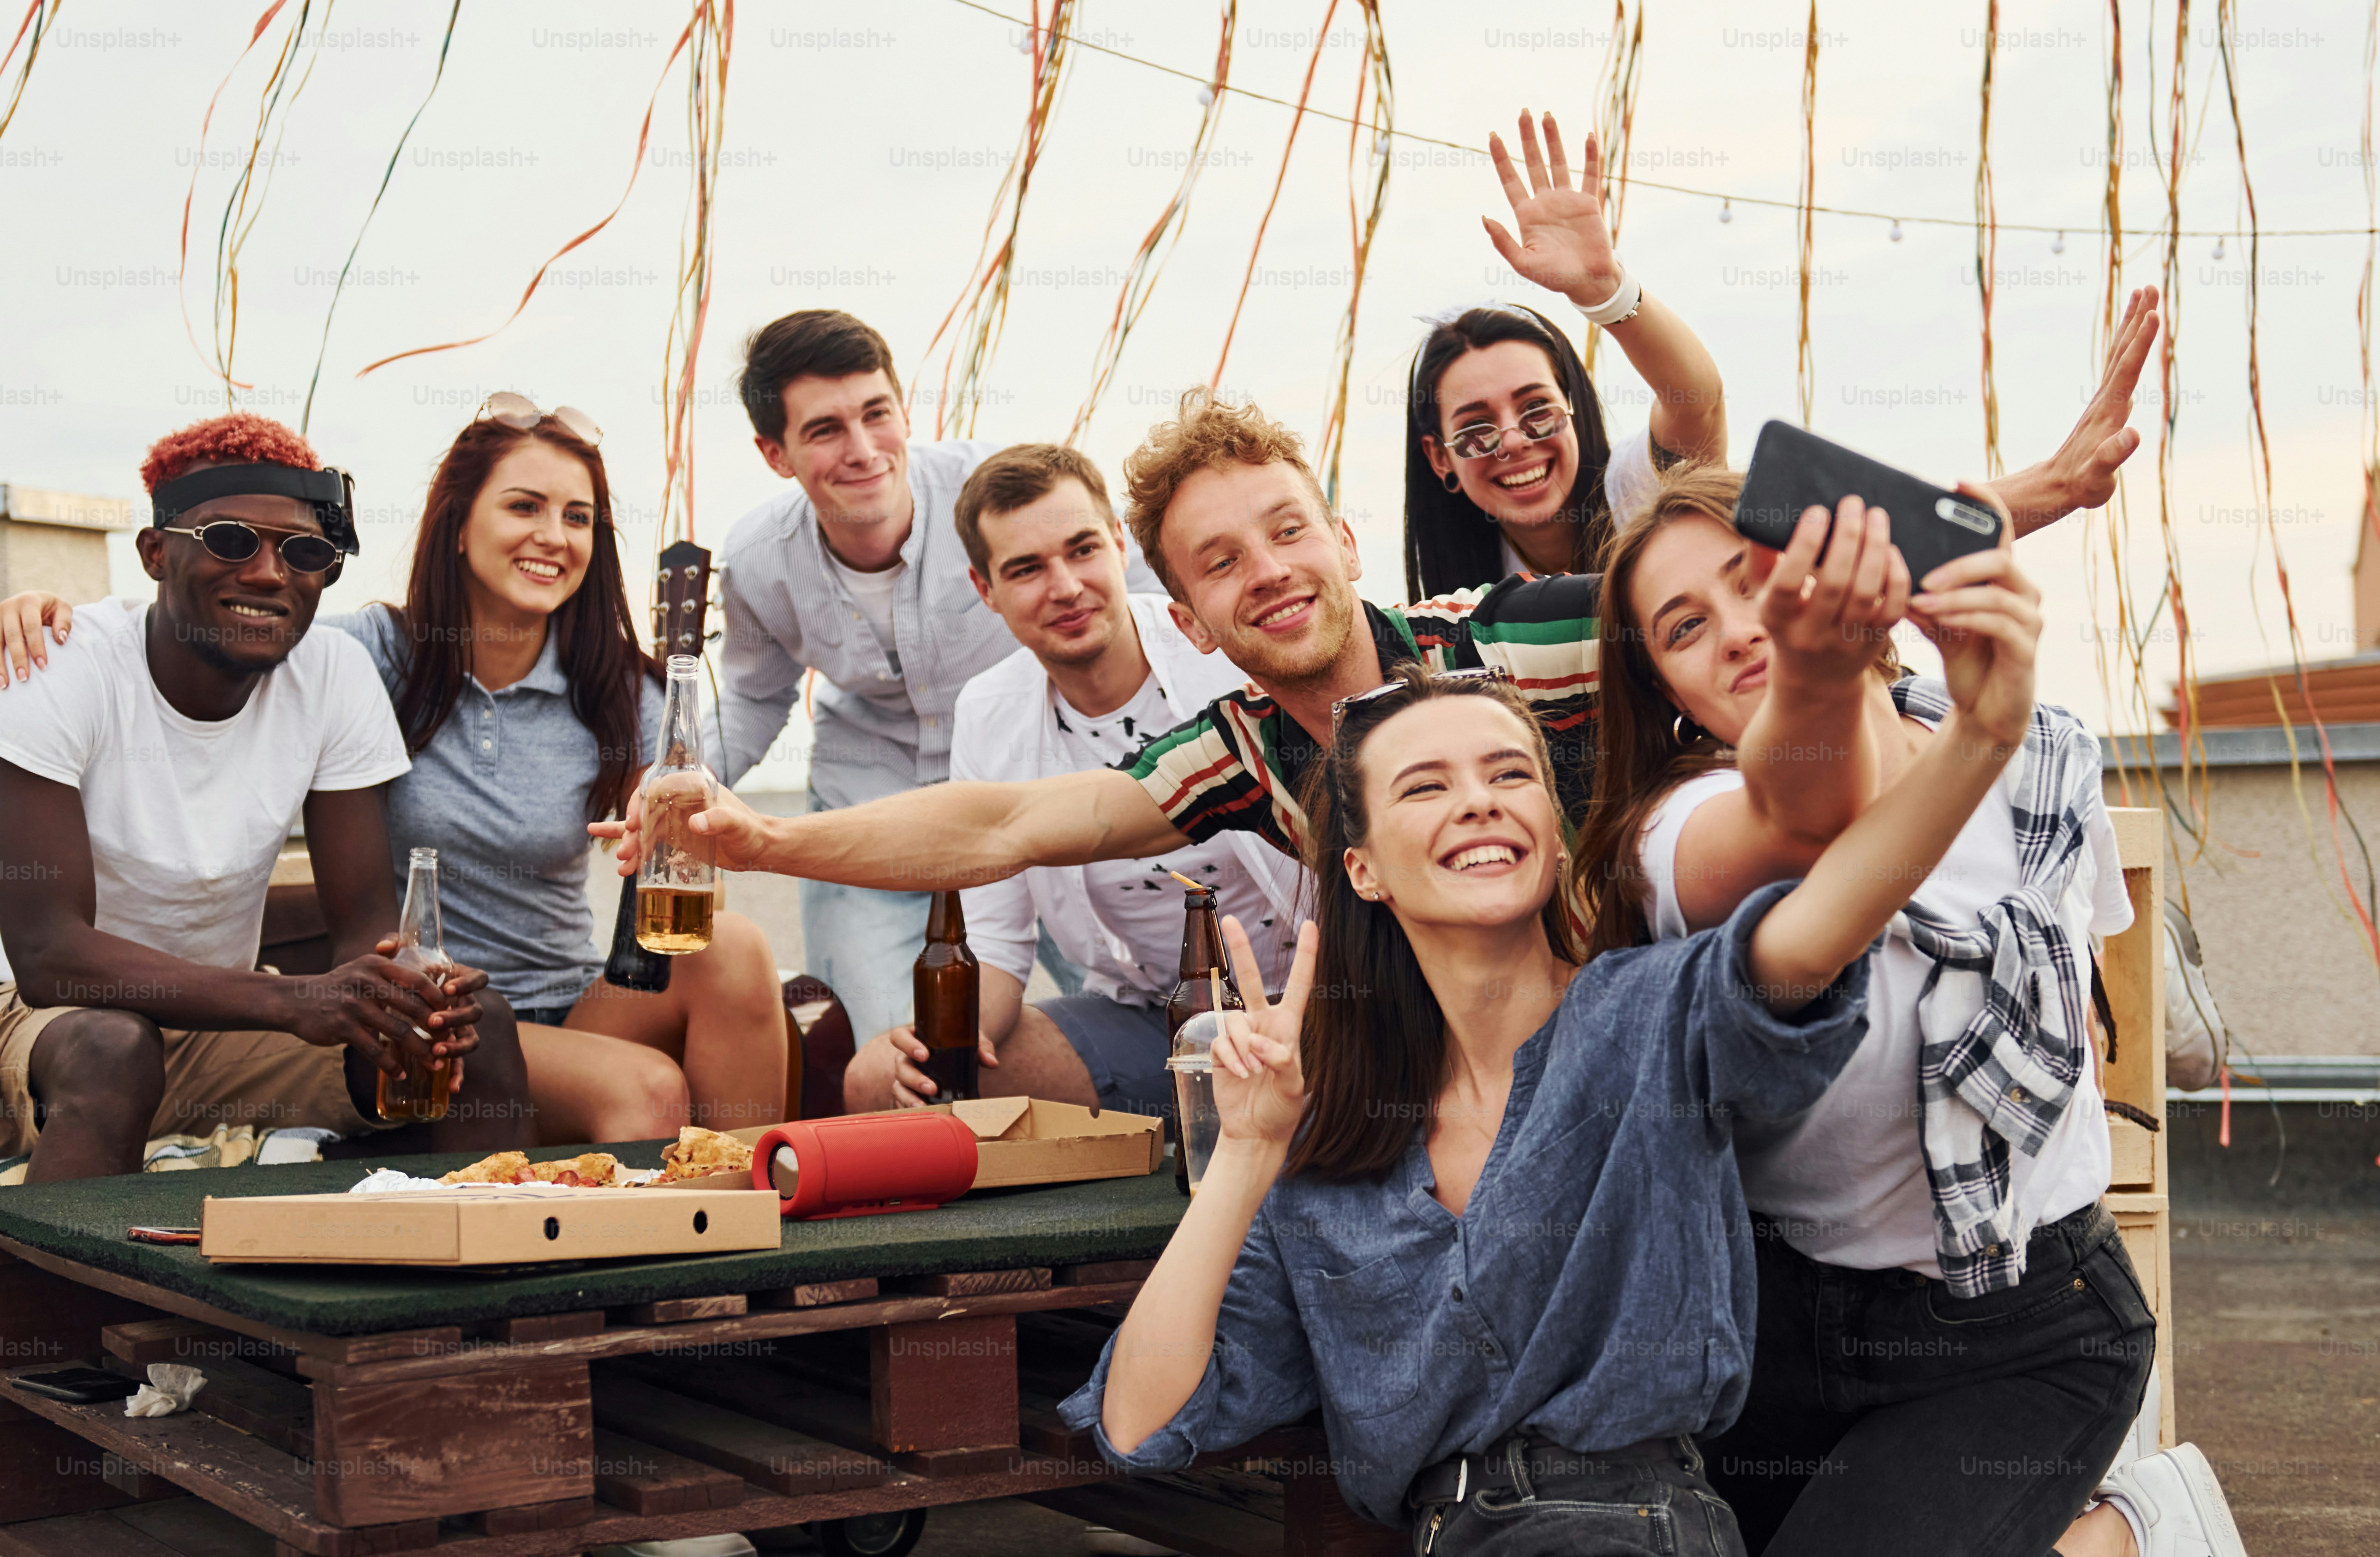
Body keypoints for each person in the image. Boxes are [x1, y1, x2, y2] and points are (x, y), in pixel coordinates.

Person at [1064, 552, 2043, 1557]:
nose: (1479, 803)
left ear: (1549, 825)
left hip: (1633, 1543)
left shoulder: (1644, 1015)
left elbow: (1812, 935)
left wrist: (1978, 739)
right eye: (1426, 786)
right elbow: (1140, 1419)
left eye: (1509, 775)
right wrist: (1246, 1153)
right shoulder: (1329, 1147)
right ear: (1362, 868)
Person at [598, 366, 2147, 915]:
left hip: (1749, 933)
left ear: (1342, 540)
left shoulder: (1519, 635)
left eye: (1285, 530)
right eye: (1216, 564)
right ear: (1185, 616)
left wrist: (2030, 496)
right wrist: (756, 839)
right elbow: (1003, 817)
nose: (1265, 574)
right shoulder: (1245, 748)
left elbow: (1753, 539)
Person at [1575, 461, 2255, 1557]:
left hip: (2025, 1329)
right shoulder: (1671, 828)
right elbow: (1802, 818)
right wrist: (1827, 673)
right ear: (1659, 690)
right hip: (1772, 1323)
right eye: (1685, 625)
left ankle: (2121, 1521)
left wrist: (1981, 711)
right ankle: (2115, 1545)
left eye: (1760, 581)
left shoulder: (2039, 754)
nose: (1741, 629)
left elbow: (2069, 992)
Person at [0, 400, 791, 1145]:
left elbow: (668, 813)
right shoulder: (373, 654)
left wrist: (673, 822)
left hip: (566, 993)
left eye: (576, 516)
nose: (552, 534)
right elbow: (216, 623)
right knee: (639, 1085)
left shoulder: (620, 685)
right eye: (524, 506)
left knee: (738, 943)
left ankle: (745, 1218)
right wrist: (37, 607)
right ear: (457, 524)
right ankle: (618, 1269)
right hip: (446, 1001)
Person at [0, 414, 533, 1182]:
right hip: (41, 1025)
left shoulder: (333, 674)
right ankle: (57, 1305)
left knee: (470, 1028)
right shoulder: (61, 667)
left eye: (305, 551)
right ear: (156, 553)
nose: (267, 572)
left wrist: (404, 994)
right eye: (229, 540)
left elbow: (363, 927)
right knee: (113, 1048)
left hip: (218, 1028)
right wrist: (294, 1001)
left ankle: (495, 1286)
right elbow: (50, 955)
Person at [715, 310, 1162, 1041]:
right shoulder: (758, 559)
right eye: (825, 429)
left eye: (876, 414)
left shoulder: (1004, 501)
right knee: (900, 1054)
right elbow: (752, 698)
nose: (862, 450)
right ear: (776, 453)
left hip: (1028, 798)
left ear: (903, 408)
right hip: (869, 818)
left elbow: (1143, 595)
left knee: (1139, 1008)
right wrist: (674, 787)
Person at [842, 442, 1303, 1115]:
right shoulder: (989, 710)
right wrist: (947, 1040)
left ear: (1120, 544)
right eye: (1026, 568)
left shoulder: (1220, 642)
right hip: (1150, 1020)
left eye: (1082, 549)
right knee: (879, 1080)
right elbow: (996, 939)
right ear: (985, 590)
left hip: (1321, 1004)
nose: (1063, 587)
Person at [1405, 111, 1728, 597]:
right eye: (1476, 429)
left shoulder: (1636, 491)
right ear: (1439, 458)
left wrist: (1607, 292)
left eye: (1537, 410)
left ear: (1573, 406)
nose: (1513, 442)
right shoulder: (1460, 591)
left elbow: (1697, 402)